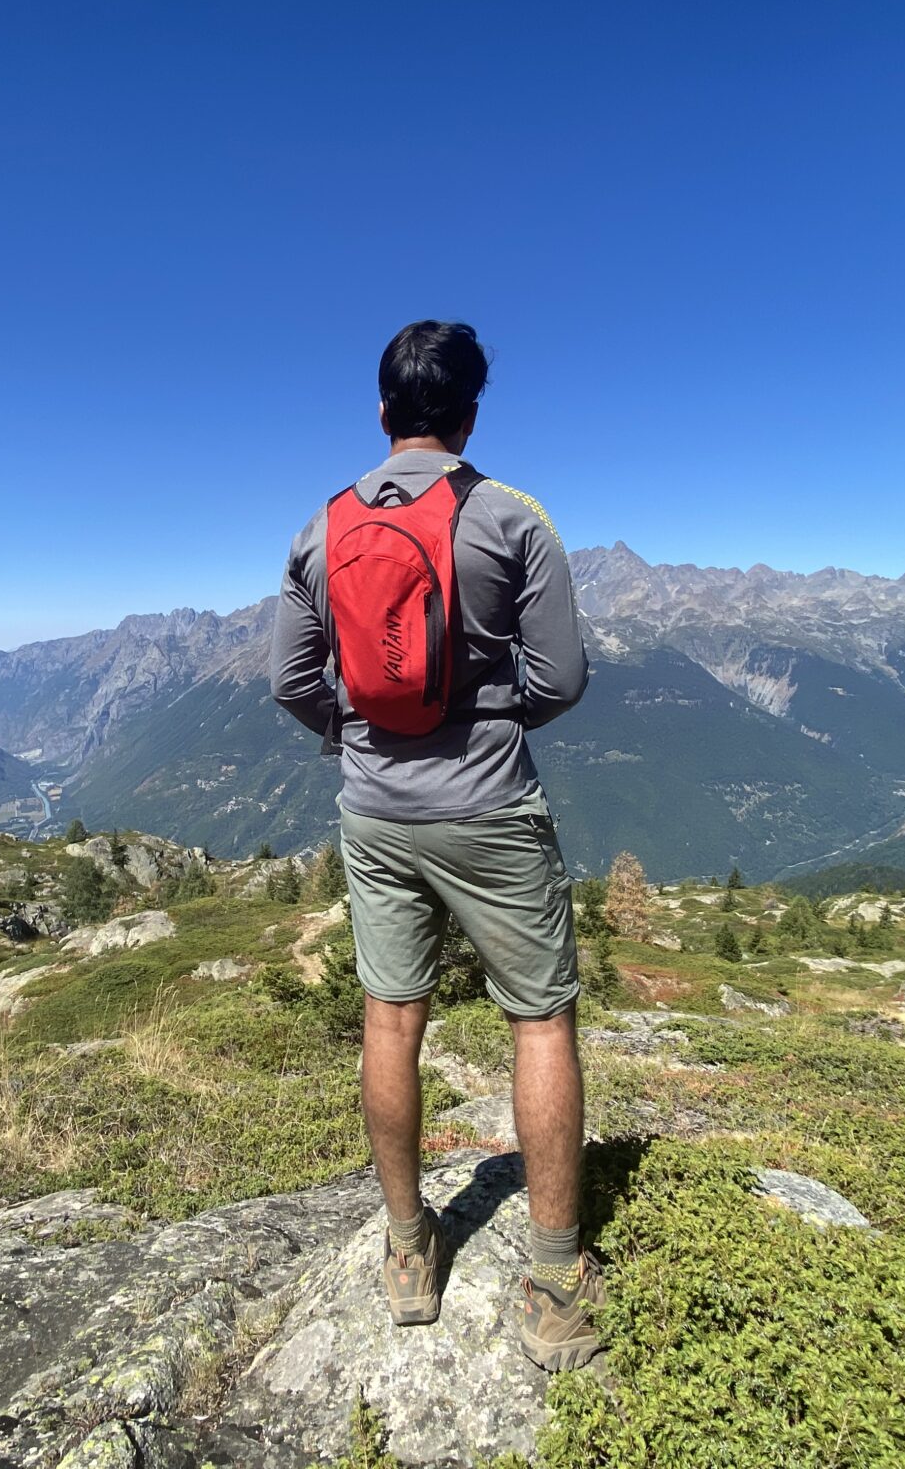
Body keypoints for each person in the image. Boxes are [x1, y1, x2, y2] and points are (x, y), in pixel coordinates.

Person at [270, 320, 596, 1370]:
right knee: (538, 1024)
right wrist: (485, 722)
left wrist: (360, 735)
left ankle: (409, 1251)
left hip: (373, 811)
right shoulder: (510, 517)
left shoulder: (319, 531)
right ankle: (550, 1282)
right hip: (491, 807)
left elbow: (290, 681)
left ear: (380, 413)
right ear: (468, 413)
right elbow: (559, 680)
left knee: (390, 1017)